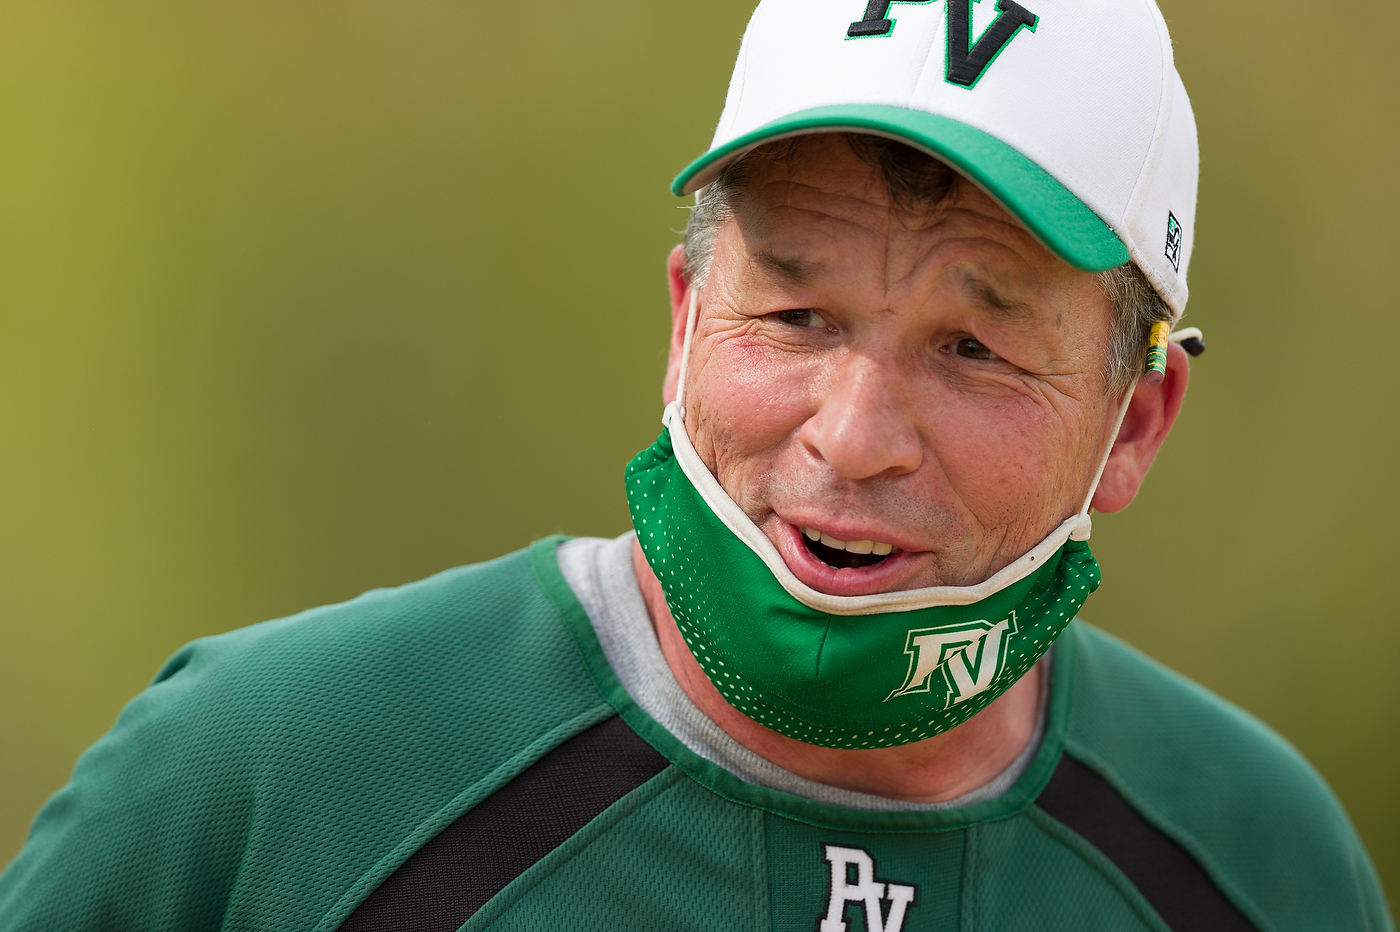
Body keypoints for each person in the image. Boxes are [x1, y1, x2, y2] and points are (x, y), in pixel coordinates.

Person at [0, 0, 1391, 929]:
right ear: (684, 322)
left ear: (1137, 422)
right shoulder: (274, 774)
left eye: (973, 348)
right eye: (795, 315)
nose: (850, 436)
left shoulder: (1259, 866)